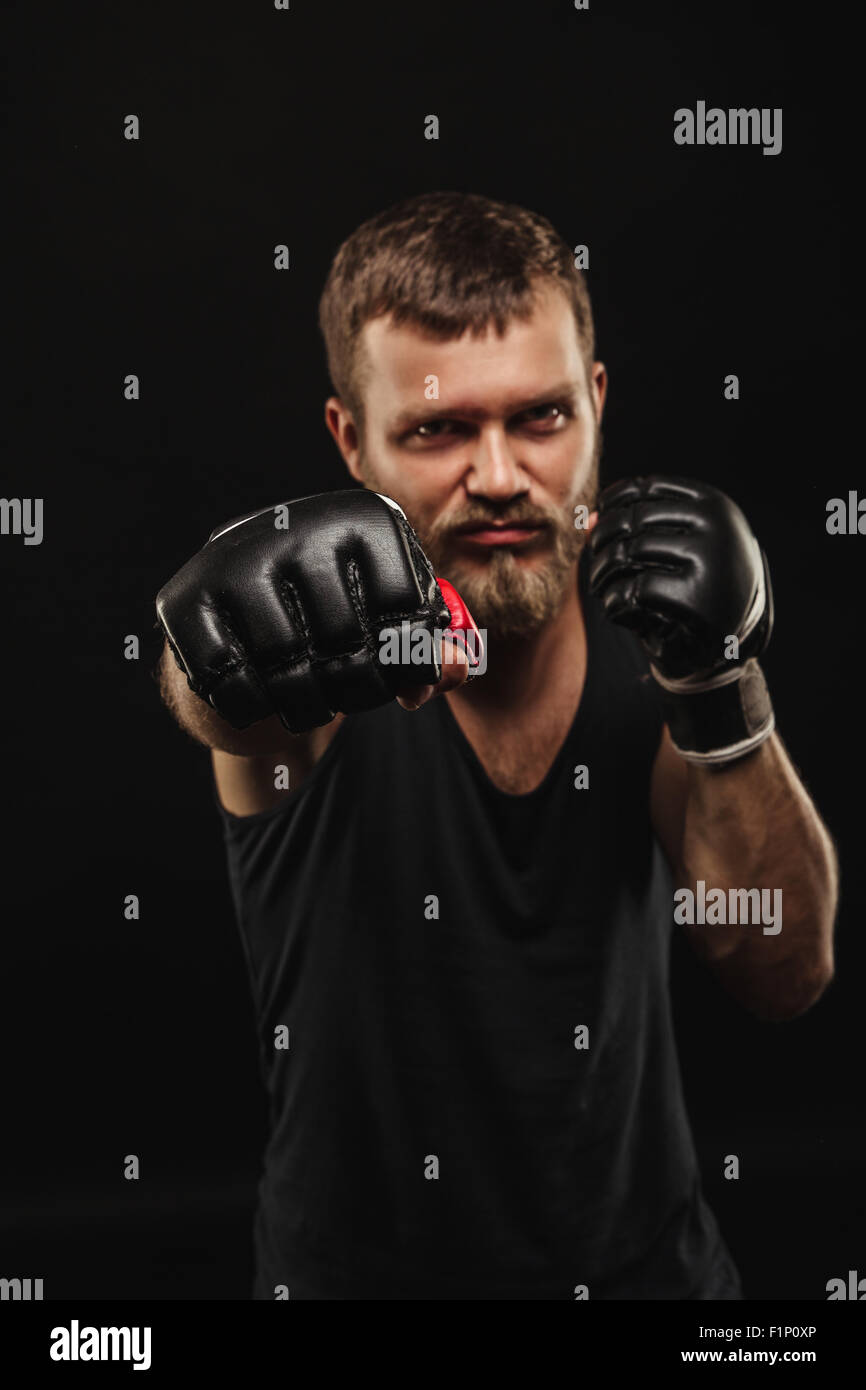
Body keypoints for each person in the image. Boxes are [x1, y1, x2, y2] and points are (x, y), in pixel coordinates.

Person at [155, 191, 837, 1300]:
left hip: (647, 1277)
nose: (500, 476)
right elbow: (235, 710)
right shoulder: (333, 669)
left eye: (539, 417)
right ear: (350, 440)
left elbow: (779, 967)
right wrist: (215, 653)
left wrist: (721, 687)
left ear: (595, 404)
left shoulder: (651, 645)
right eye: (436, 430)